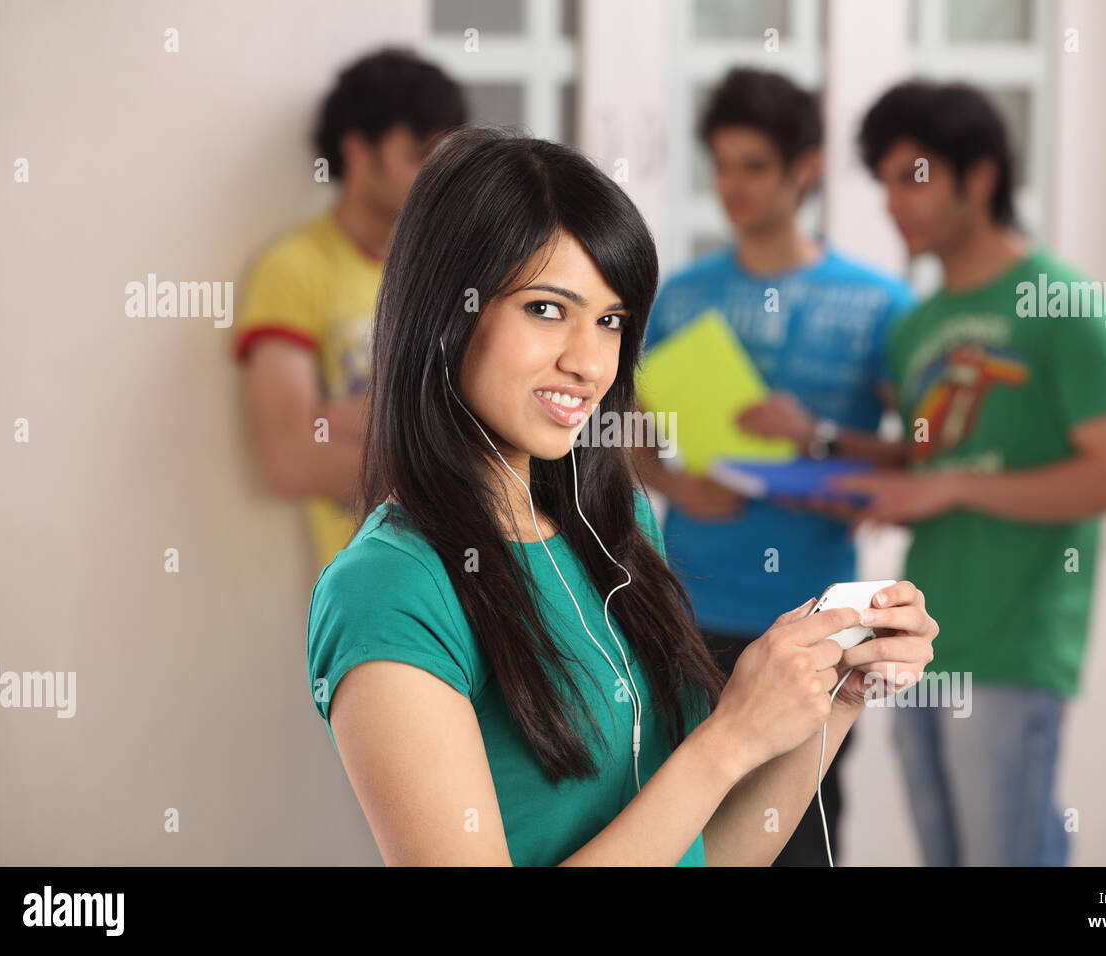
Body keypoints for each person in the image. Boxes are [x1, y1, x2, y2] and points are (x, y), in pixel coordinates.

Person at [305, 126, 939, 866]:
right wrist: (729, 737)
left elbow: (715, 857)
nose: (588, 362)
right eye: (546, 309)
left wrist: (838, 690)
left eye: (610, 321)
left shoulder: (612, 520)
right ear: (449, 309)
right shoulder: (389, 587)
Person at [810, 79, 1106, 866]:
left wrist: (949, 486)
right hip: (918, 643)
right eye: (885, 181)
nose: (896, 202)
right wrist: (827, 447)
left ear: (981, 175)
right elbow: (930, 459)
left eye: (913, 176)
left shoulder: (1061, 303)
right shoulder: (918, 325)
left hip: (1014, 649)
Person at [630, 67, 916, 866]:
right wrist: (675, 481)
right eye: (721, 165)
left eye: (754, 165)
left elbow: (918, 455)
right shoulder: (678, 297)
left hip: (819, 619)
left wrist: (820, 435)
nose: (732, 186)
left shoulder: (879, 303)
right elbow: (620, 423)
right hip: (685, 609)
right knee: (685, 832)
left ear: (807, 168)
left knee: (799, 841)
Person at [235, 48, 467, 573]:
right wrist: (445, 453)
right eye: (420, 153)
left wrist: (356, 421)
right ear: (360, 152)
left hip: (477, 579)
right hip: (372, 587)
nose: (437, 176)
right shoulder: (293, 268)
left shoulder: (458, 271)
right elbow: (291, 459)